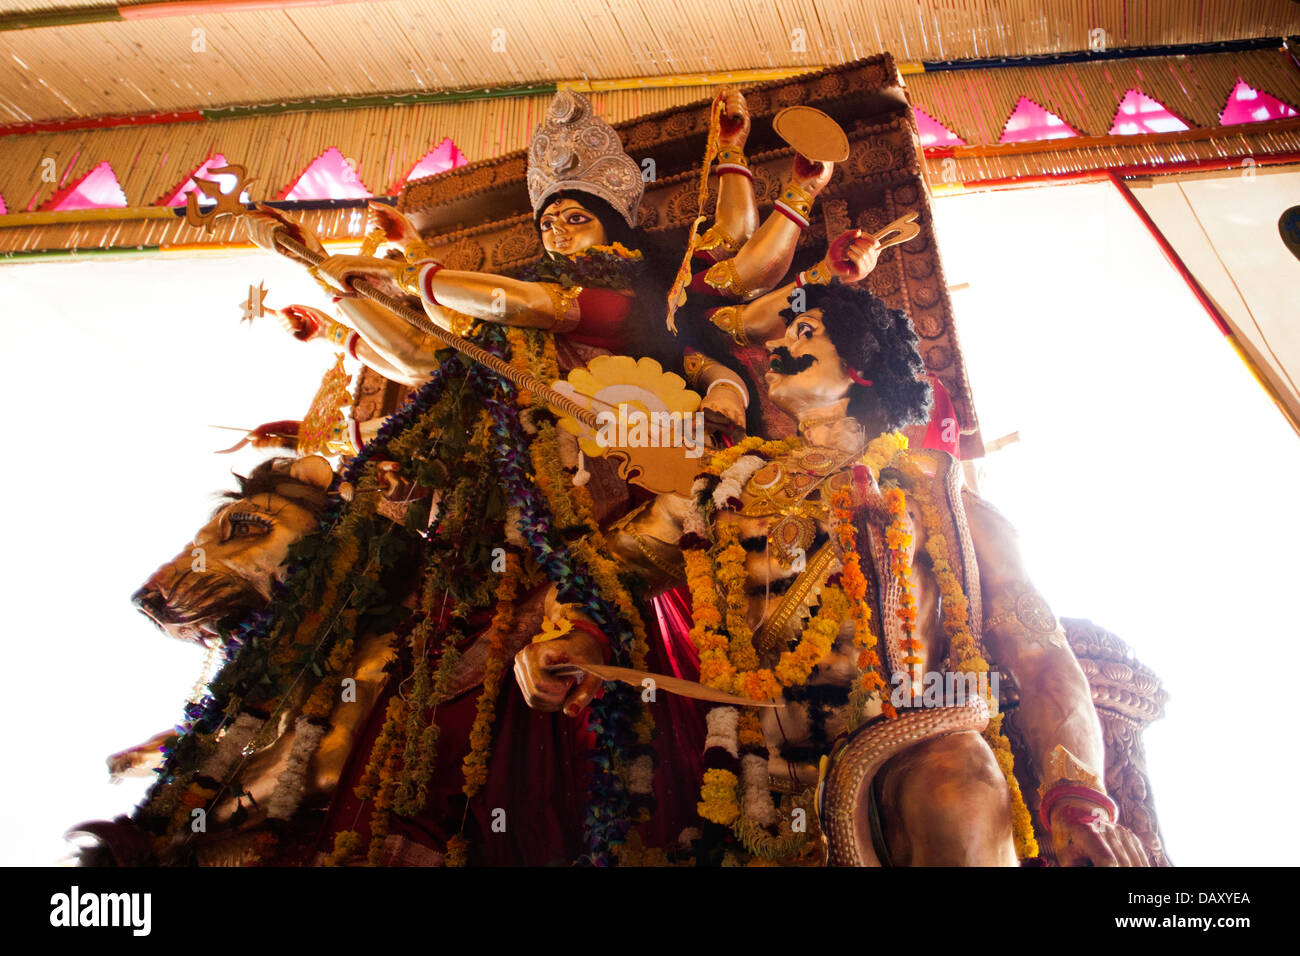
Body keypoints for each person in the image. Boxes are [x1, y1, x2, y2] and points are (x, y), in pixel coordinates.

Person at [515, 274, 1150, 867]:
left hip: (913, 748)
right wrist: (570, 636)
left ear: (861, 368)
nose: (779, 350)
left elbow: (1041, 653)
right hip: (765, 778)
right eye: (784, 337)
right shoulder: (724, 488)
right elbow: (606, 573)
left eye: (805, 335)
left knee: (958, 788)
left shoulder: (938, 496)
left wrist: (1078, 801)